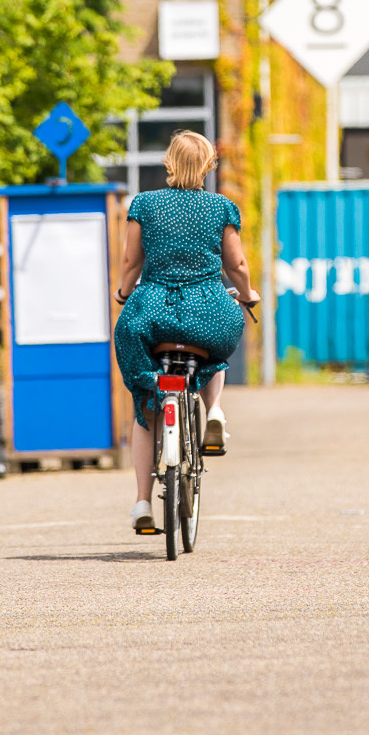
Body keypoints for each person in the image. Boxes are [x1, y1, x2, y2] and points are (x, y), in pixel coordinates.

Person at [113, 130, 259, 533]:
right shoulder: (221, 207)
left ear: (168, 162)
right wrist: (248, 294)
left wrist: (124, 293)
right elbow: (236, 265)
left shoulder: (144, 204)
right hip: (207, 311)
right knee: (216, 354)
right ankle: (215, 412)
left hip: (153, 313)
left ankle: (142, 502)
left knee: (146, 406)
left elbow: (130, 263)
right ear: (209, 165)